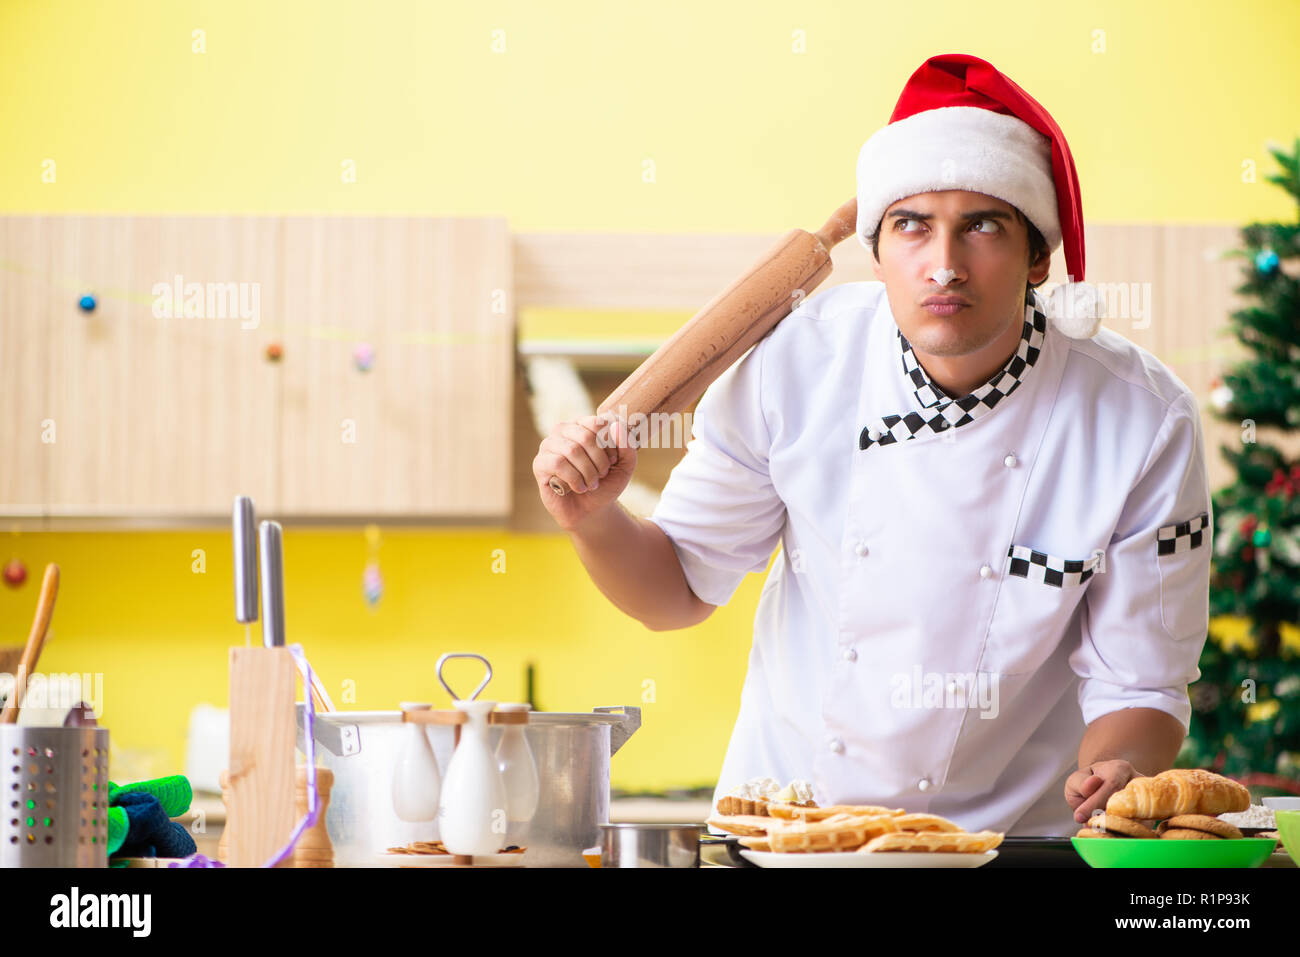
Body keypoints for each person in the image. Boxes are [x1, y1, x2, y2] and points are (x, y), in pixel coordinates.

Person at [532, 53, 1212, 835]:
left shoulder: (1140, 420)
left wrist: (1119, 768)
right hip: (792, 832)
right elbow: (678, 589)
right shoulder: (798, 365)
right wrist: (592, 517)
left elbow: (1142, 687)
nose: (944, 265)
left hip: (1003, 843)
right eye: (912, 225)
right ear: (878, 249)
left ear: (1038, 256)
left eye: (982, 224)